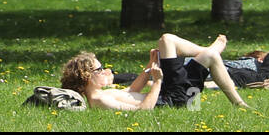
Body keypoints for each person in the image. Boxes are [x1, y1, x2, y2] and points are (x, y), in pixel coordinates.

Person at [60, 33, 250, 110]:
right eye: (99, 69)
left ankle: (239, 103)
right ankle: (211, 50)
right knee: (168, 40)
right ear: (87, 76)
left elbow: (131, 90)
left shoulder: (103, 94)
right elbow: (142, 110)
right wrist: (157, 81)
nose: (105, 71)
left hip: (171, 93)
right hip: (173, 99)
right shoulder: (100, 100)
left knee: (208, 56)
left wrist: (149, 67)